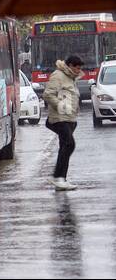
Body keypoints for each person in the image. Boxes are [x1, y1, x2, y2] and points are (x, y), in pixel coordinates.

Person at [43, 55, 84, 191]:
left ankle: (62, 179)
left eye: (80, 68)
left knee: (64, 147)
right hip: (59, 118)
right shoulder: (58, 75)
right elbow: (48, 94)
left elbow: (71, 95)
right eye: (77, 68)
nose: (79, 71)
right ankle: (58, 177)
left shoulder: (71, 77)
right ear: (70, 65)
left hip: (70, 118)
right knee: (69, 144)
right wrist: (62, 106)